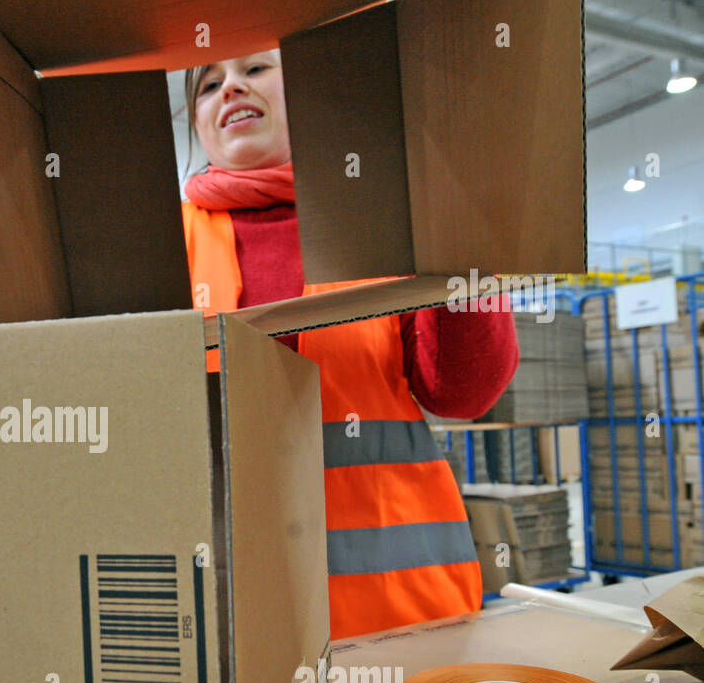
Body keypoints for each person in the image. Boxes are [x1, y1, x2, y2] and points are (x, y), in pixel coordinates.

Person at [182, 51, 519, 640]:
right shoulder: (164, 245)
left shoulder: (385, 221)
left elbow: (466, 393)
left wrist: (461, 233)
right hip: (229, 624)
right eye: (209, 84)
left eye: (256, 70)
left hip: (401, 613)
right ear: (197, 121)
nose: (231, 86)